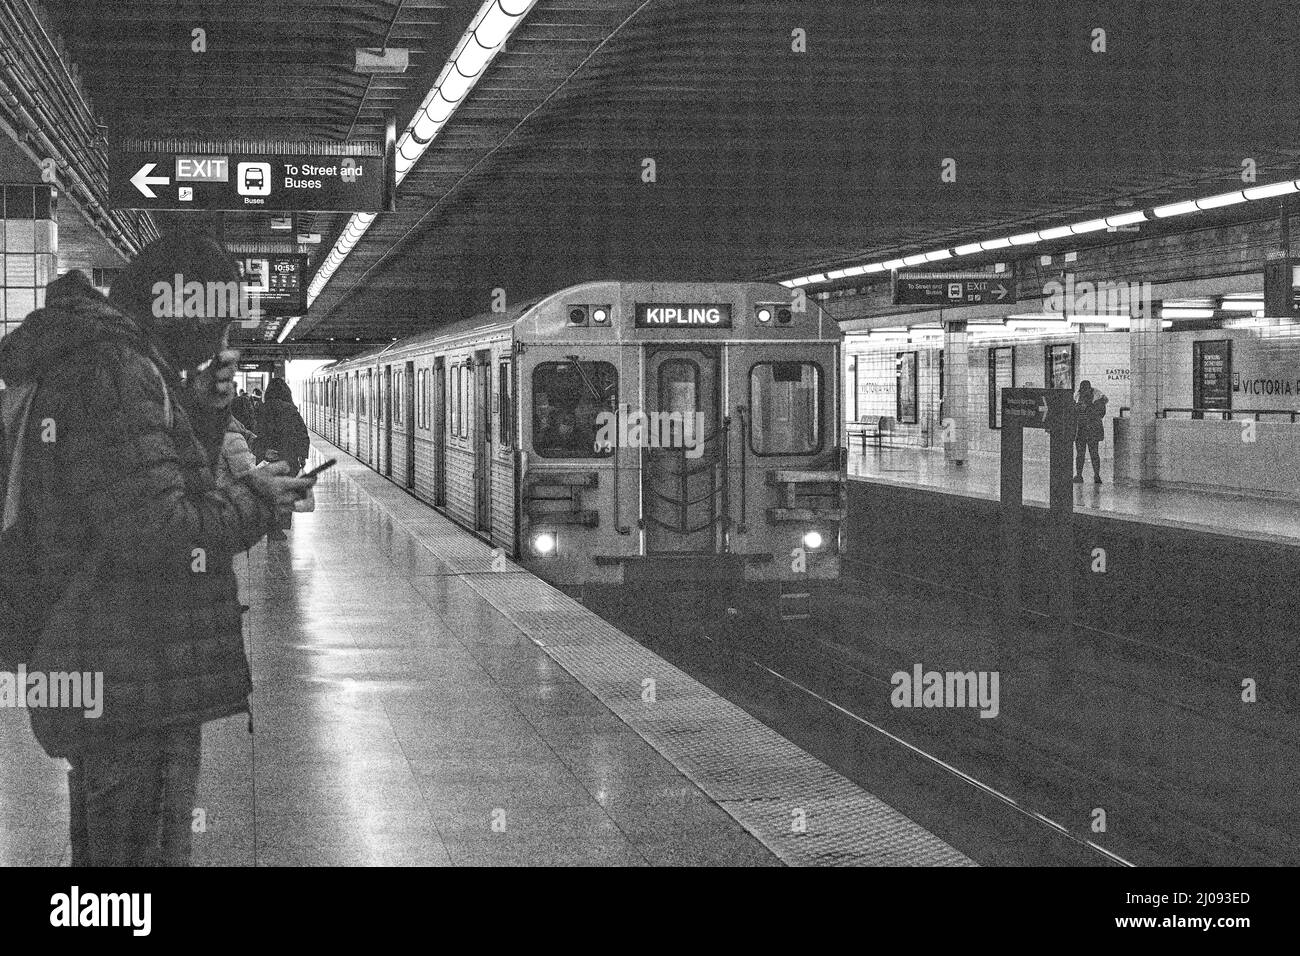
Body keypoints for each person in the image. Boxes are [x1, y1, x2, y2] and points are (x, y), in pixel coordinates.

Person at [0, 235, 316, 867]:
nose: (223, 335)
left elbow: (136, 490)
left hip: (110, 660)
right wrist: (259, 500)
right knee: (137, 859)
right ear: (183, 311)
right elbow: (162, 535)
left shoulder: (111, 366)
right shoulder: (115, 372)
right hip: (131, 672)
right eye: (218, 315)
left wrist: (197, 410)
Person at [256, 378, 311, 540]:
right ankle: (280, 526)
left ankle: (271, 526)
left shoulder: (261, 410)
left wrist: (263, 452)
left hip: (269, 459)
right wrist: (302, 456)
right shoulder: (291, 410)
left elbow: (255, 434)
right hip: (289, 459)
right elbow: (302, 434)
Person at [1073, 379, 1109, 484]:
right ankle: (1079, 475)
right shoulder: (1077, 396)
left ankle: (1096, 475)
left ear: (1090, 389)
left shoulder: (1098, 397)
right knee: (1080, 454)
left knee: (1093, 453)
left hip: (1093, 429)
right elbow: (1074, 411)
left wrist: (1087, 408)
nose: (1084, 392)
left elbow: (1101, 413)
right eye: (1082, 390)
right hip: (1081, 429)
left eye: (1085, 390)